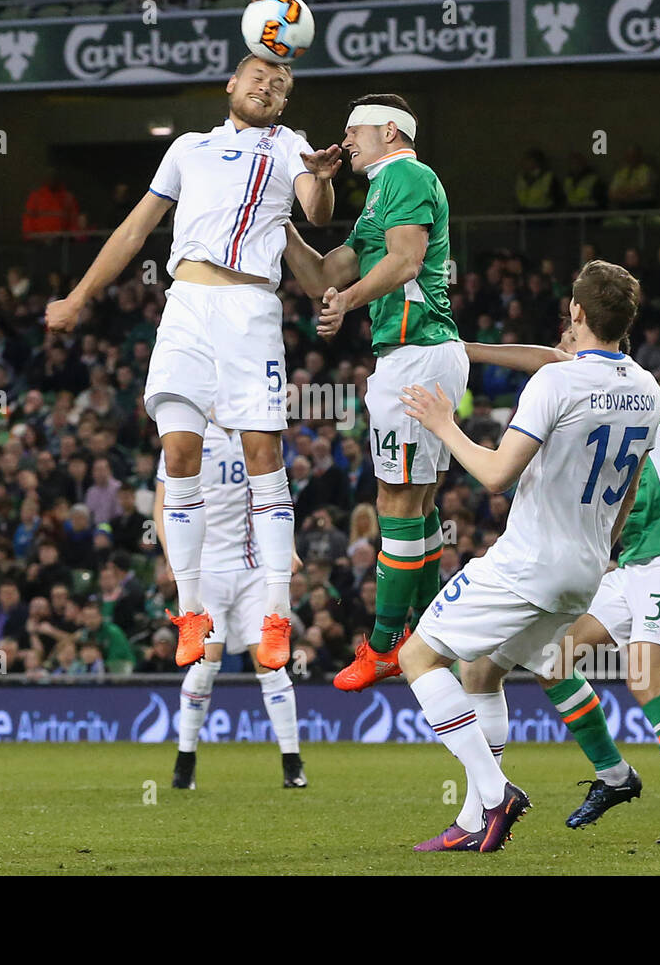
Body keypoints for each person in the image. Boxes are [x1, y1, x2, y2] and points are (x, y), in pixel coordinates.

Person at [46, 55, 340, 675]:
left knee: (263, 454)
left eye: (279, 83)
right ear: (231, 84)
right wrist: (78, 297)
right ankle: (192, 611)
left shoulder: (289, 145)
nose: (267, 85)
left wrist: (319, 177)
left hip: (250, 307)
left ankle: (276, 616)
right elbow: (132, 232)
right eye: (257, 76)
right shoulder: (186, 149)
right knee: (179, 454)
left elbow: (315, 211)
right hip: (185, 306)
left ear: (284, 102)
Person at [396, 260, 660, 852]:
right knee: (482, 671)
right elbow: (629, 494)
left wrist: (443, 422)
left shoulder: (556, 383)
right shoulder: (648, 390)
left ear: (577, 313)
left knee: (415, 655)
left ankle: (496, 794)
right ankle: (472, 823)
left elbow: (495, 474)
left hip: (531, 562)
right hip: (589, 570)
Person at [460, 330, 660, 845]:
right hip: (632, 559)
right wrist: (468, 350)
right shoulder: (600, 387)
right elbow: (549, 361)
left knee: (646, 680)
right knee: (551, 662)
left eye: (569, 334)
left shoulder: (626, 386)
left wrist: (466, 351)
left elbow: (547, 359)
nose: (564, 347)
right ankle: (615, 776)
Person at [283, 93, 467, 691]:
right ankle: (429, 629)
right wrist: (275, 218)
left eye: (353, 130)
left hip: (417, 355)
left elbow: (407, 261)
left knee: (396, 504)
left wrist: (349, 302)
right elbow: (322, 276)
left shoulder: (408, 173)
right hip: (417, 357)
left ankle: (386, 644)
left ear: (389, 131)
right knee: (418, 505)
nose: (346, 140)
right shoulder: (379, 197)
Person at [157, 423, 306, 789]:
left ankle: (292, 763)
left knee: (271, 664)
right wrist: (173, 559)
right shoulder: (187, 431)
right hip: (206, 570)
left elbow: (274, 494)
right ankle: (185, 761)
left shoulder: (253, 428)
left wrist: (288, 550)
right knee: (207, 663)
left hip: (253, 568)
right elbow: (165, 502)